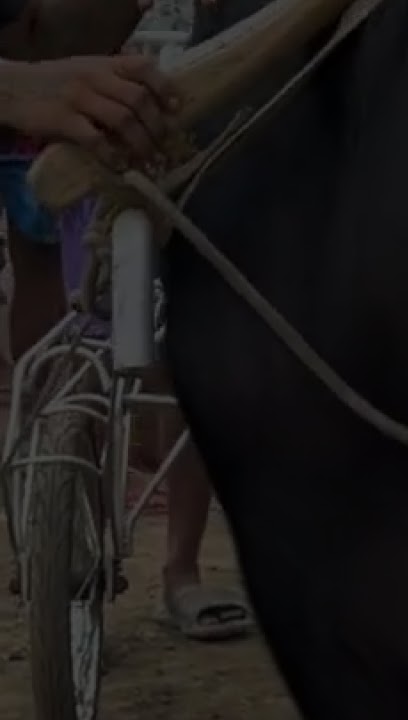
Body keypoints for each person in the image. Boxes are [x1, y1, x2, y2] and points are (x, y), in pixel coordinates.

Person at [1, 0, 260, 640]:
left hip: (163, 116)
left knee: (179, 350)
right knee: (60, 345)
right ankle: (66, 536)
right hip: (36, 128)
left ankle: (179, 568)